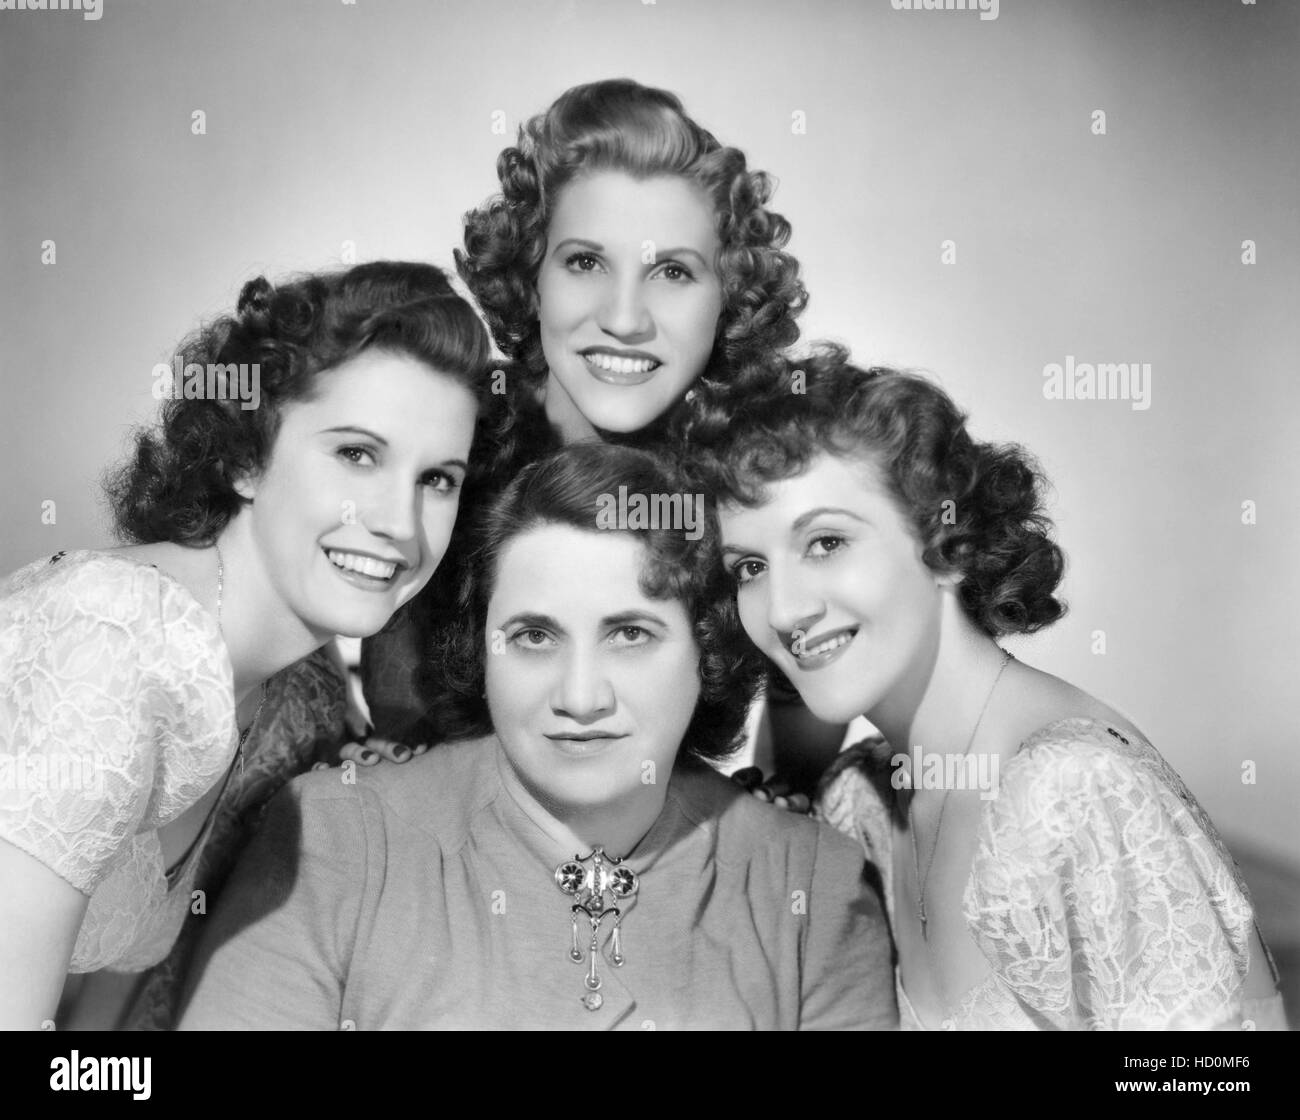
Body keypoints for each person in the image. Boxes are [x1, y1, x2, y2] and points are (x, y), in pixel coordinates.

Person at [177, 444, 897, 1030]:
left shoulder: (814, 886)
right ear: (480, 652)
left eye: (630, 635)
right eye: (533, 636)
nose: (580, 697)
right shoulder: (333, 837)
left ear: (706, 653)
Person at [687, 344, 1288, 1030]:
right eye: (751, 568)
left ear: (948, 545)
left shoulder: (1070, 791)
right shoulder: (864, 805)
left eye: (826, 543)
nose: (786, 607)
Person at [0, 261, 491, 1030]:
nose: (400, 520)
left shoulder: (293, 697)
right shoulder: (109, 646)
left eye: (438, 479)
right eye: (357, 454)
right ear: (245, 456)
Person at [357, 77, 819, 758]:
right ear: (530, 275)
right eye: (584, 261)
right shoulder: (449, 442)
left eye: (673, 273)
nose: (624, 319)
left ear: (728, 298)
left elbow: (813, 671)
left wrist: (793, 784)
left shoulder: (753, 481)